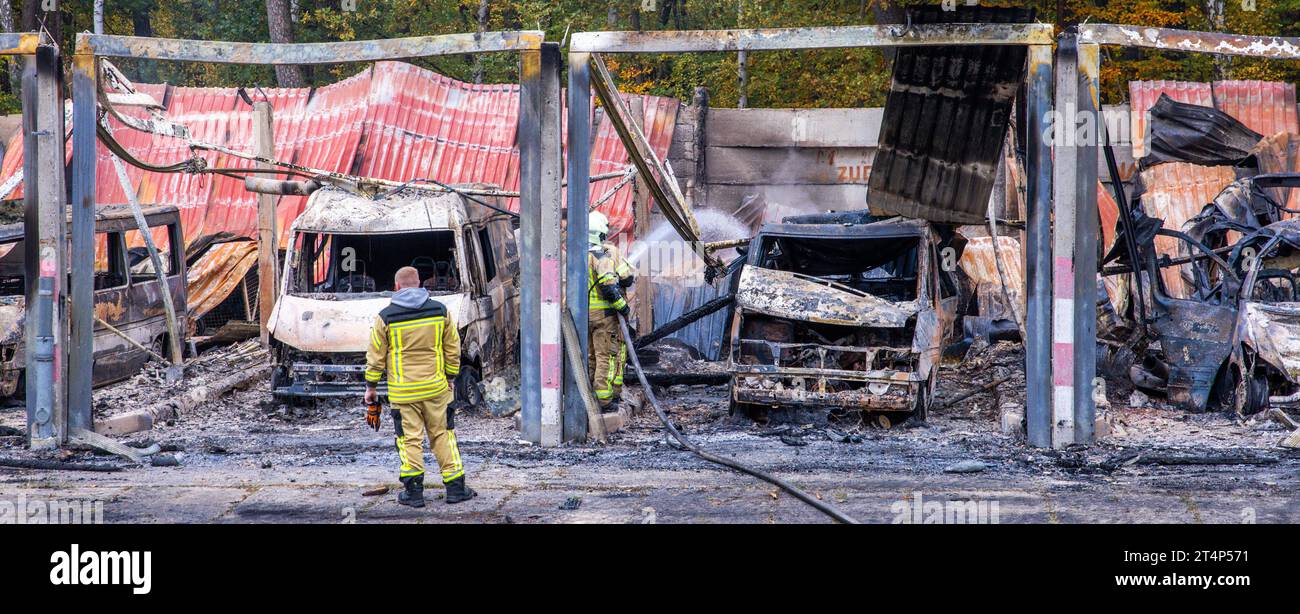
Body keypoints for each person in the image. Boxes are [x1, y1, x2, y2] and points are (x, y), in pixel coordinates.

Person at [364, 266, 477, 507]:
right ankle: (456, 489)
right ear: (420, 284)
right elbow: (452, 348)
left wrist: (371, 387)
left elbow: (376, 355)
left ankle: (414, 493)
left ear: (396, 287)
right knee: (443, 436)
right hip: (436, 389)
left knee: (409, 440)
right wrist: (450, 376)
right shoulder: (440, 311)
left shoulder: (386, 317)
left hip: (403, 393)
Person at [587, 211, 636, 413]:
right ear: (601, 234)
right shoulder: (603, 257)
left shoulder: (579, 256)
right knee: (605, 357)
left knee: (591, 357)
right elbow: (610, 287)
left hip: (584, 317)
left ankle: (589, 395)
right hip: (604, 317)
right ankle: (605, 401)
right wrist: (623, 307)